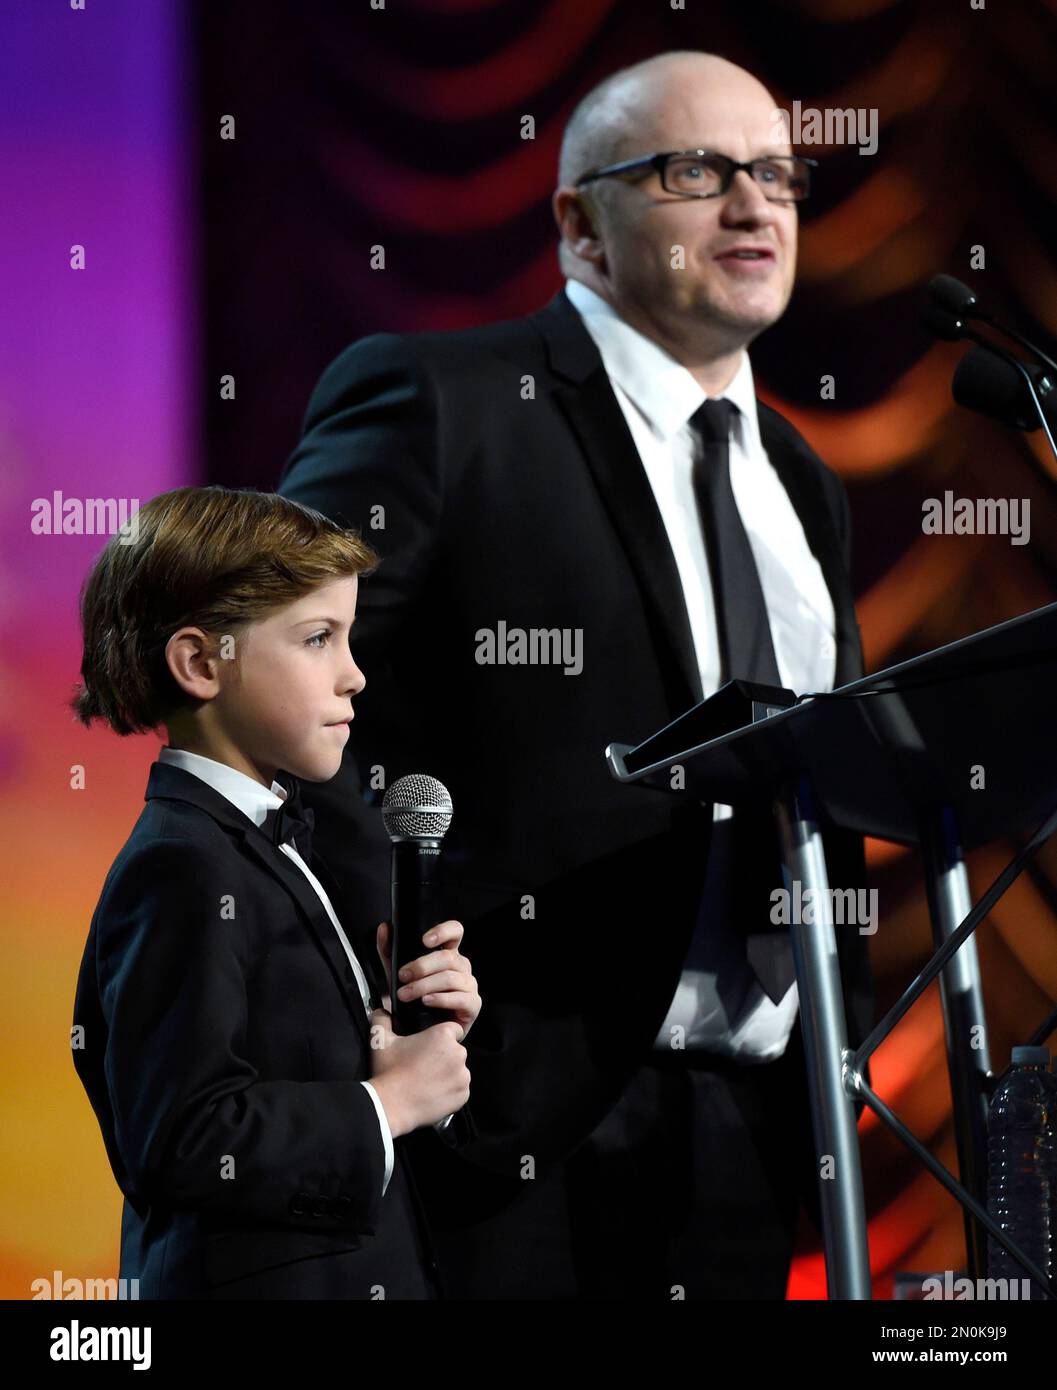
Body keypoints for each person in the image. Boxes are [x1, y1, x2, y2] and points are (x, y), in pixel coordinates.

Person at [278, 50, 874, 1299]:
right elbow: (264, 690)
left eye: (775, 173)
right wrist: (389, 1013)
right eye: (694, 170)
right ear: (577, 222)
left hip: (751, 1133)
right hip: (502, 1124)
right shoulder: (444, 404)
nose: (754, 206)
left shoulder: (801, 483)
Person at [69, 485, 480, 1299]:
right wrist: (385, 1104)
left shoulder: (263, 841)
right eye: (318, 638)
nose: (354, 676)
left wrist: (403, 1036)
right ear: (199, 663)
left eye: (349, 638)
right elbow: (183, 1137)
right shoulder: (182, 867)